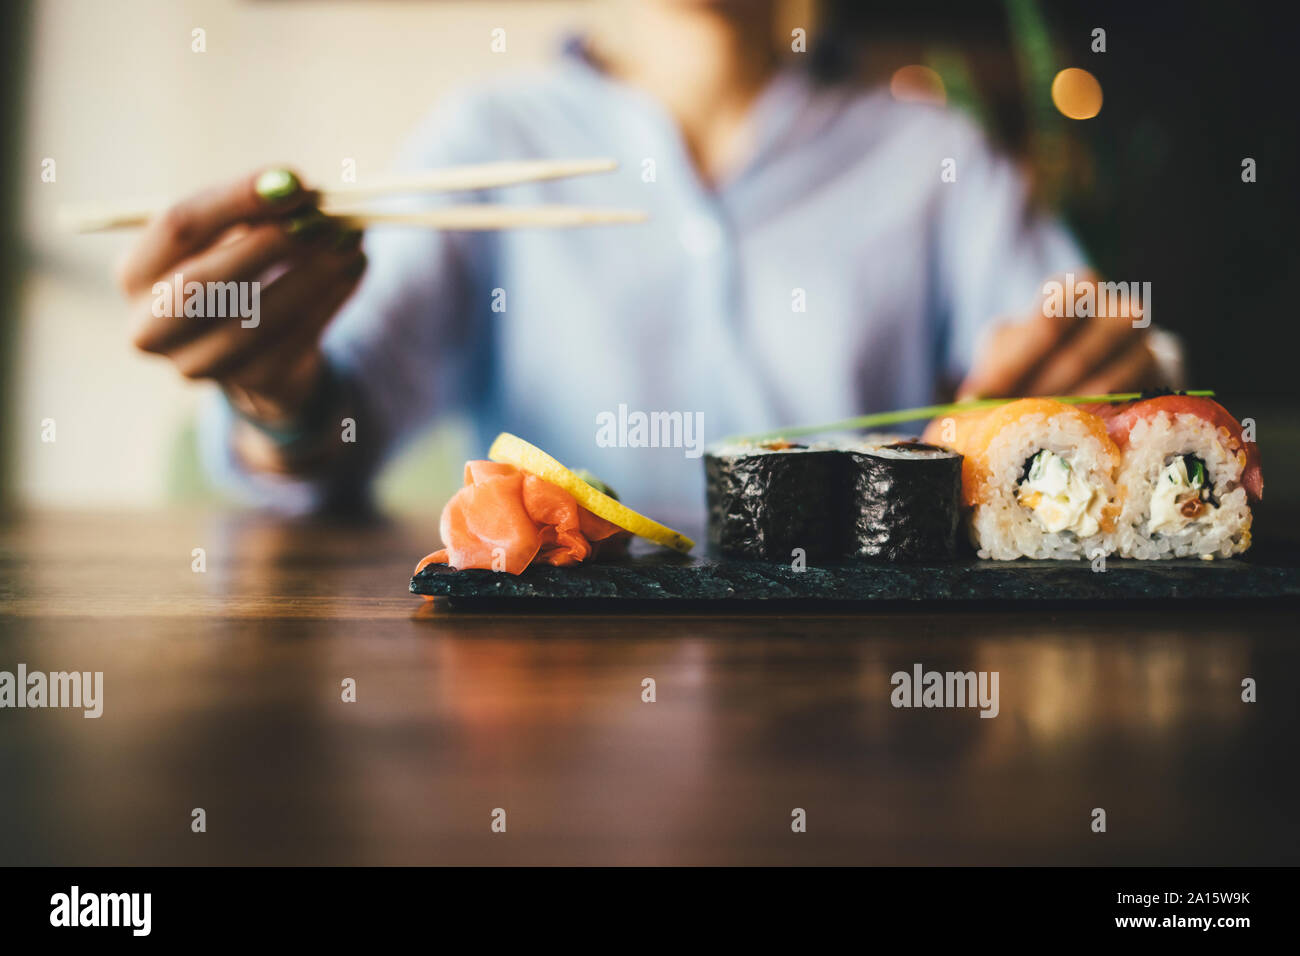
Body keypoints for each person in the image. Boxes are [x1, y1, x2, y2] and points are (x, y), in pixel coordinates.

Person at [117, 0, 1170, 519]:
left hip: (862, 700)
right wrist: (278, 388)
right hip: (539, 710)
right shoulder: (489, 137)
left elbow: (1092, 344)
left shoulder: (930, 150)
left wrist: (1126, 382)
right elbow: (339, 433)